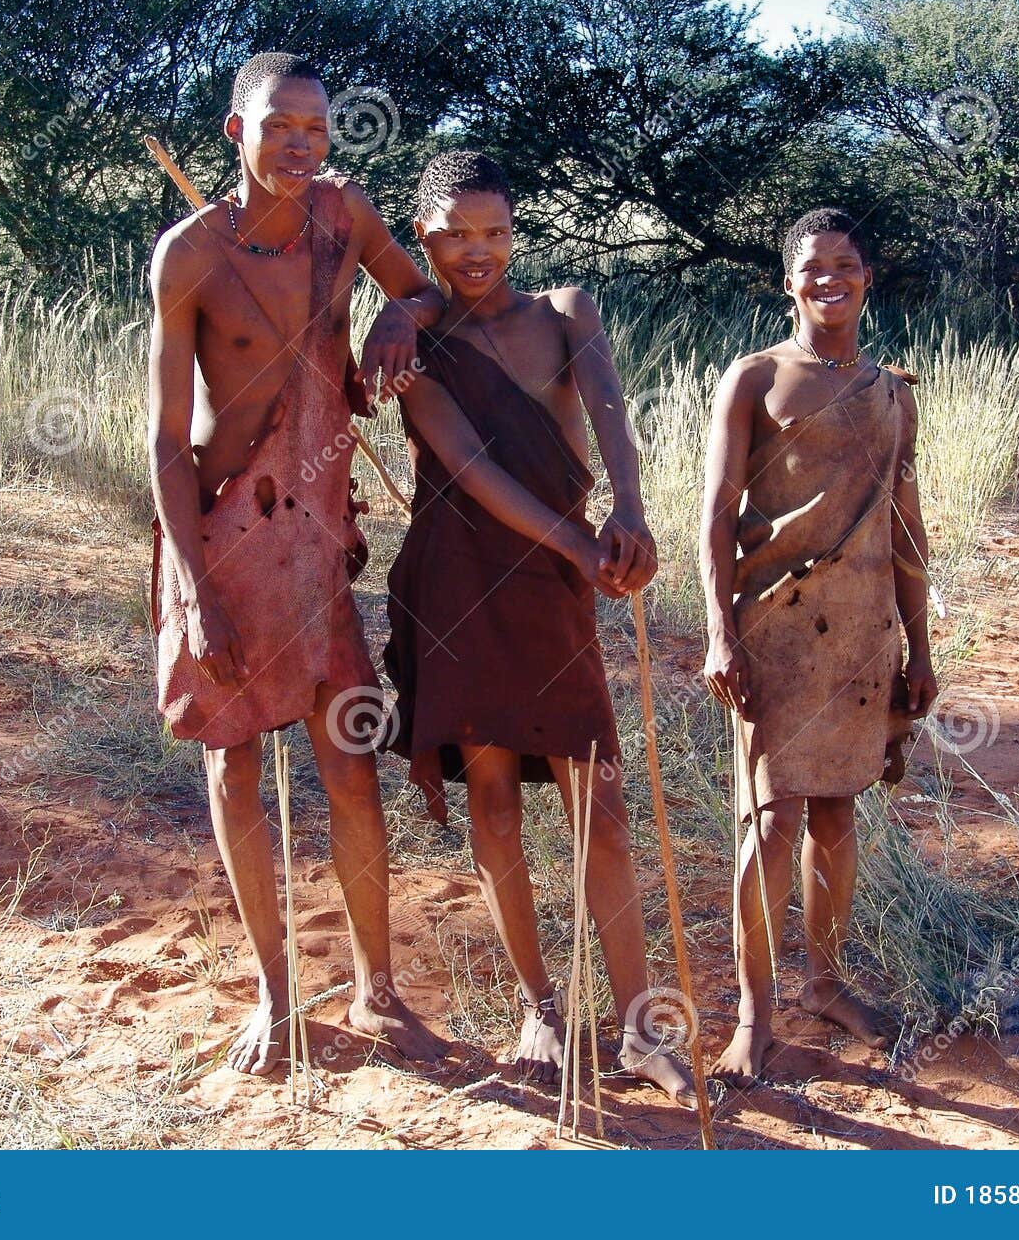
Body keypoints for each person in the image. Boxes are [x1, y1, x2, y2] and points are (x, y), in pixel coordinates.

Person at [148, 51, 446, 1074]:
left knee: (347, 754)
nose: (300, 145)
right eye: (279, 126)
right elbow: (160, 441)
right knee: (234, 766)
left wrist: (392, 323)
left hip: (313, 536)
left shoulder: (343, 217)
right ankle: (276, 996)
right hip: (226, 535)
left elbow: (421, 297)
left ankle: (376, 987)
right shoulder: (186, 254)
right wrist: (192, 596)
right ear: (236, 132)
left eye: (316, 128)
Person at [382, 150, 692, 1102]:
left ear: (517, 232)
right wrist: (580, 544)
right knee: (493, 797)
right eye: (453, 235)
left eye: (495, 233)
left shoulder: (568, 313)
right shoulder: (416, 350)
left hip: (558, 587)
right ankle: (539, 1007)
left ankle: (640, 1025)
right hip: (463, 582)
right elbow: (471, 466)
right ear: (422, 237)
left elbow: (609, 415)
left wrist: (629, 512)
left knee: (597, 799)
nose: (477, 252)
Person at [698, 207, 938, 1084]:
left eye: (846, 262)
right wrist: (723, 634)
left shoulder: (894, 392)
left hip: (864, 636)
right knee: (768, 821)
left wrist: (919, 647)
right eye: (812, 265)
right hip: (776, 633)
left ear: (867, 277)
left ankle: (826, 984)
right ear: (787, 280)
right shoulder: (754, 379)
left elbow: (906, 529)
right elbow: (715, 518)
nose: (829, 277)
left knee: (838, 812)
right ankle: (754, 1018)